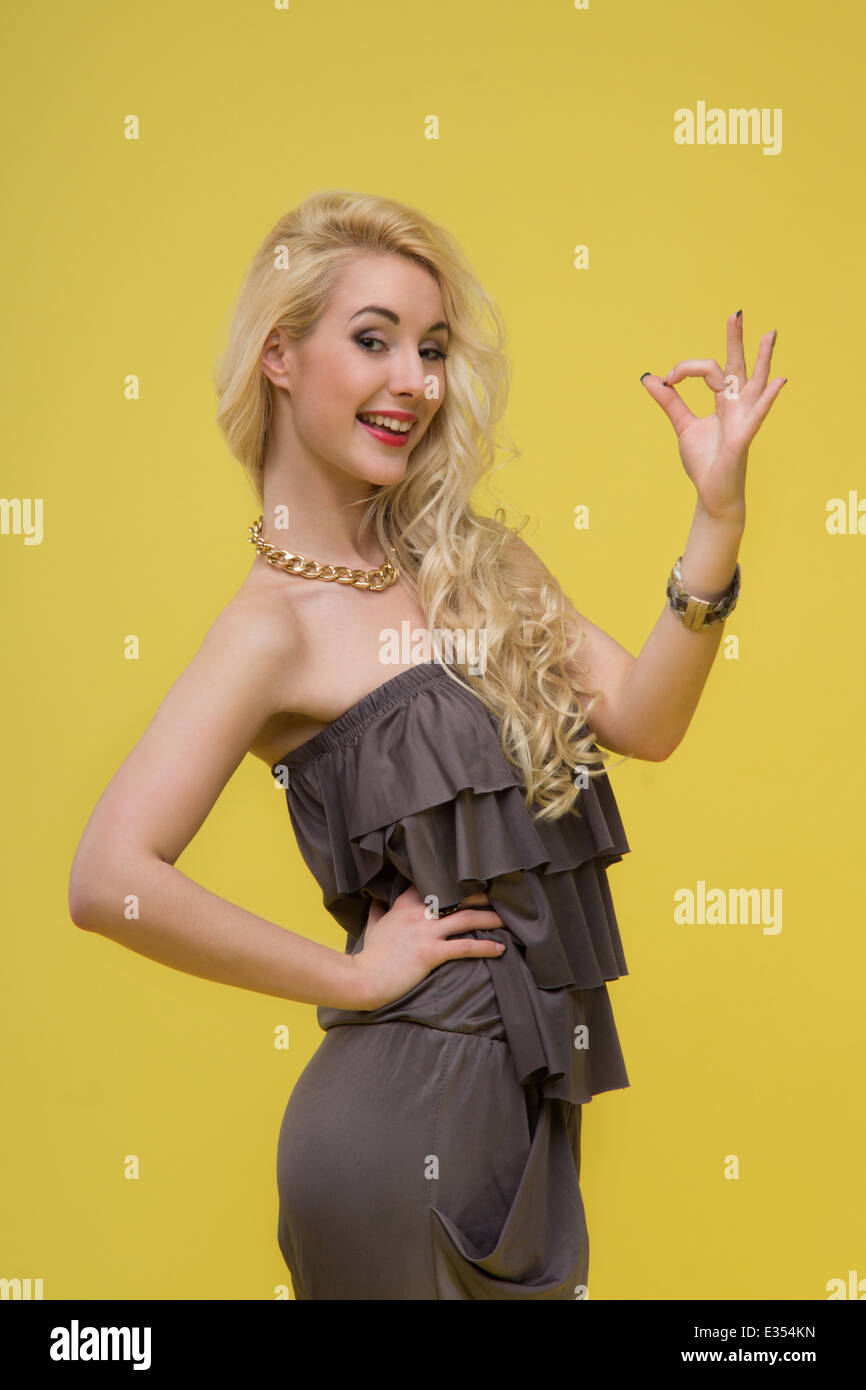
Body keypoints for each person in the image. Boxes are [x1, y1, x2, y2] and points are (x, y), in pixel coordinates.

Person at [68, 189, 784, 1300]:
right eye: (372, 341)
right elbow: (107, 880)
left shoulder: (478, 568)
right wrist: (350, 976)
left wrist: (716, 520)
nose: (415, 379)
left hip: (519, 1117)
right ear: (280, 359)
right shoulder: (271, 629)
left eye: (433, 348)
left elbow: (646, 719)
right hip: (394, 1130)